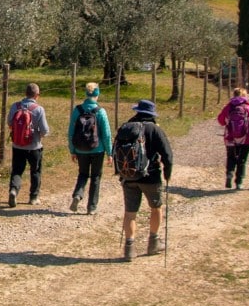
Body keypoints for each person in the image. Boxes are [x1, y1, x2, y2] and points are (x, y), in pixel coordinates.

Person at [115, 99, 174, 259]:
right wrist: (167, 174)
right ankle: (153, 243)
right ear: (151, 114)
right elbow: (167, 155)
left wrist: (120, 173)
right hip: (151, 176)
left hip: (128, 177)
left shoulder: (126, 128)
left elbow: (116, 152)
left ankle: (129, 248)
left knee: (130, 213)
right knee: (156, 208)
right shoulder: (154, 129)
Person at [68, 82, 112, 215]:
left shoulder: (77, 110)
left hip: (81, 149)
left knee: (82, 174)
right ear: (97, 94)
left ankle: (78, 194)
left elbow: (71, 132)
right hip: (97, 149)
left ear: (86, 94)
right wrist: (110, 152)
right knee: (96, 177)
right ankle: (91, 207)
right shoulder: (101, 112)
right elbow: (106, 134)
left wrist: (72, 150)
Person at [6, 83, 51, 208]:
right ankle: (33, 197)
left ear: (25, 93)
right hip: (34, 146)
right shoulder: (38, 109)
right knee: (35, 171)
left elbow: (9, 122)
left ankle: (13, 190)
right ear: (37, 95)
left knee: (17, 170)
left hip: (17, 145)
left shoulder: (15, 106)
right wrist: (41, 135)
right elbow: (44, 130)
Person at [216, 88, 249, 189]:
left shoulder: (228, 107)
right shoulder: (248, 108)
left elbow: (221, 121)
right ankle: (239, 182)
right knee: (242, 159)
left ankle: (229, 173)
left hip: (230, 137)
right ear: (244, 96)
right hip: (246, 138)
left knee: (231, 157)